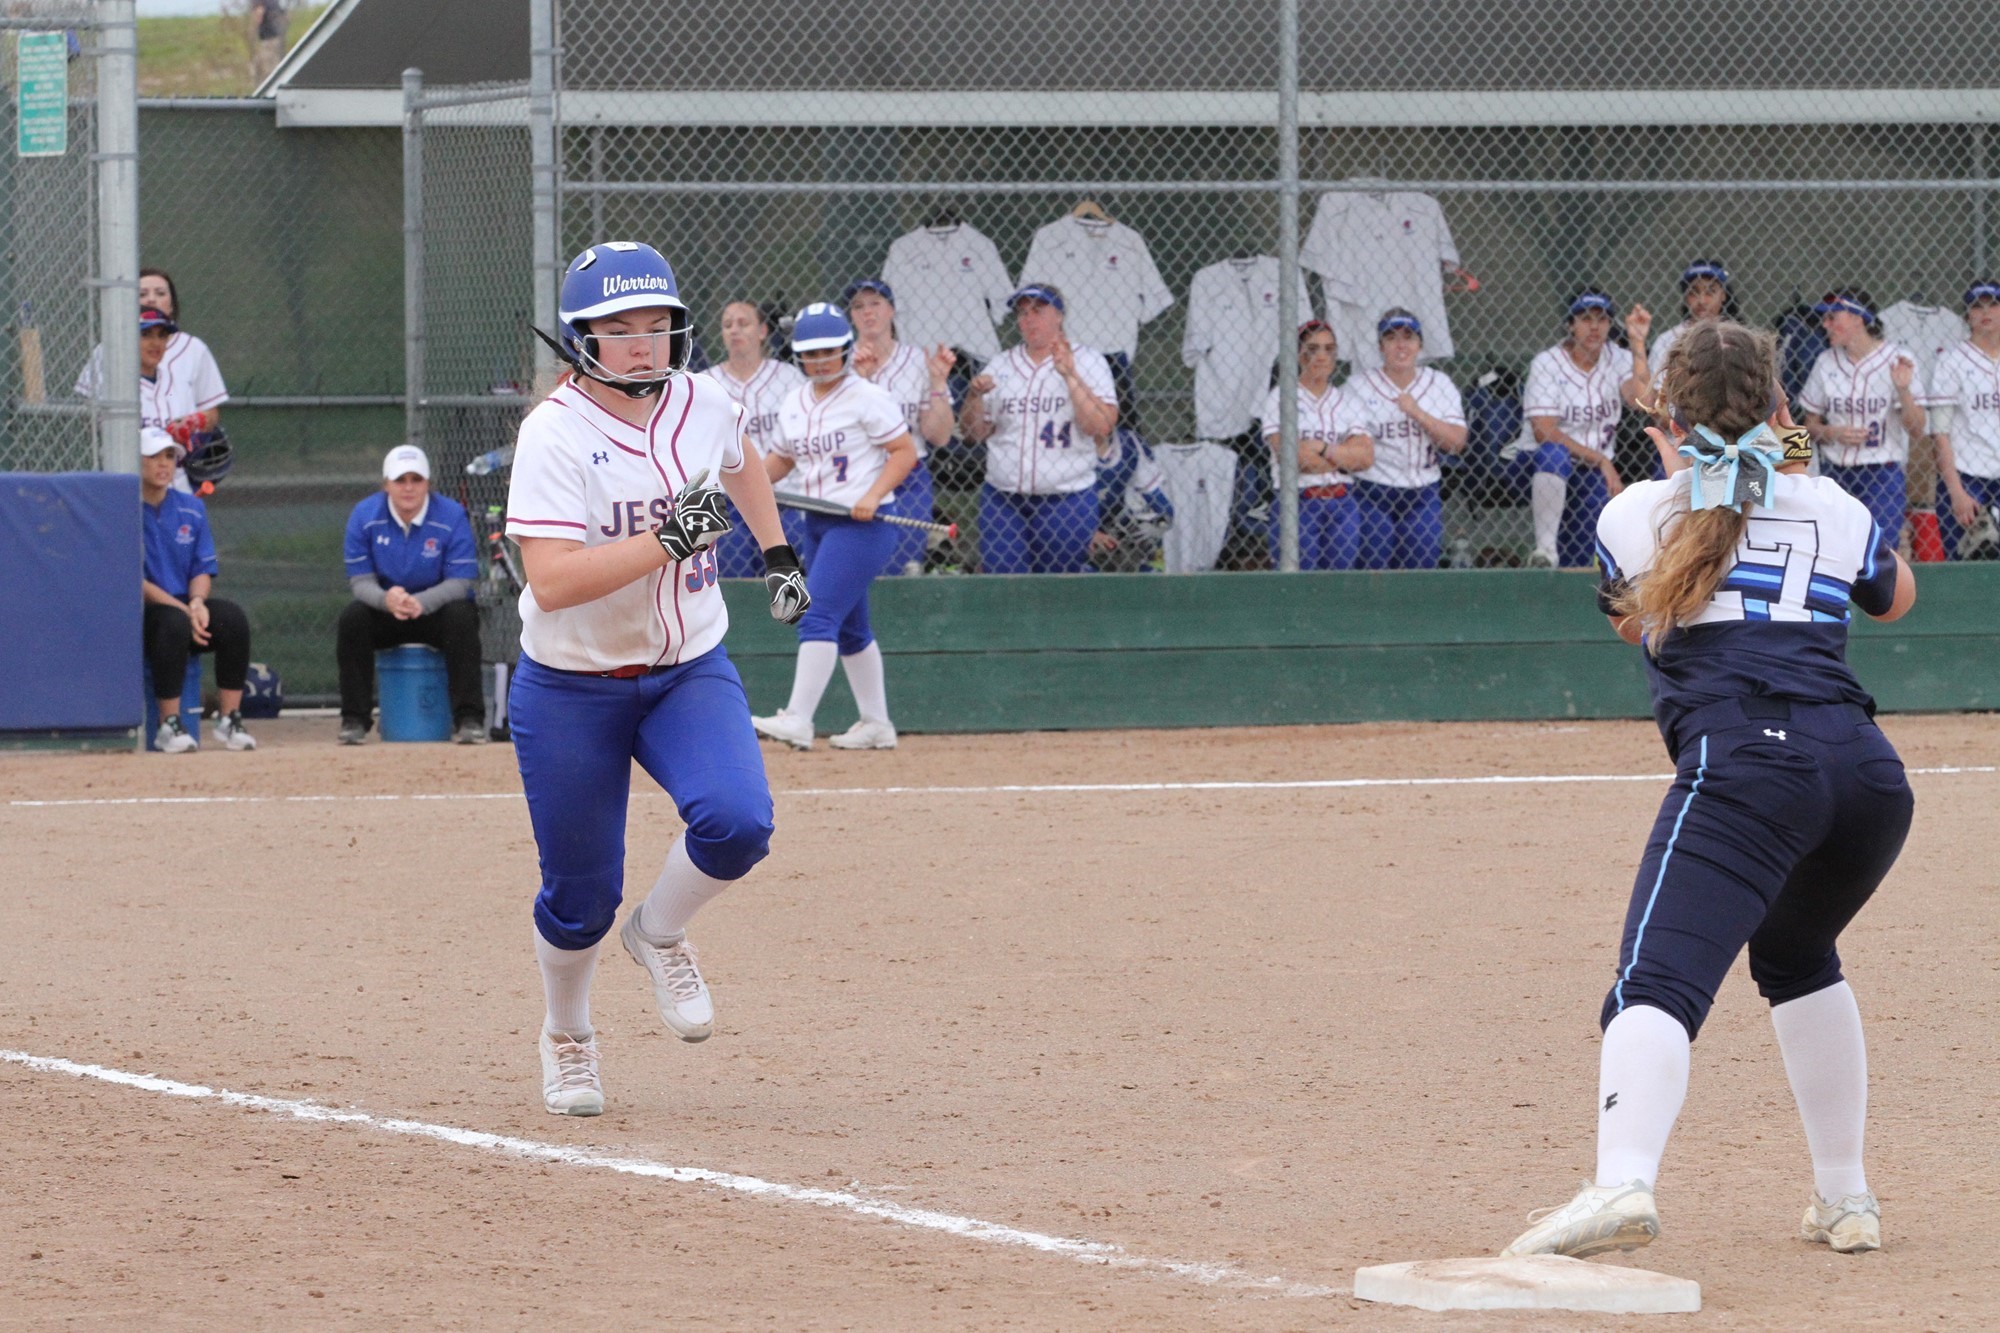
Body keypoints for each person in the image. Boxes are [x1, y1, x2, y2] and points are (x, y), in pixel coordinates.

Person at [1503, 319, 1916, 1260]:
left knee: (1655, 981)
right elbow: (1896, 597)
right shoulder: (1835, 505)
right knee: (1799, 956)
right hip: (1866, 776)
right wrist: (1792, 462)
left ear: (1674, 419)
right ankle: (1846, 1199)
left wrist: (1694, 470)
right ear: (1779, 411)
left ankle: (1621, 1183)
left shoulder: (1634, 514)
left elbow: (1632, 623)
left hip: (1747, 766)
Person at [503, 241, 810, 1117]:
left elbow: (742, 463)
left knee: (739, 821)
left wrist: (778, 553)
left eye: (657, 325)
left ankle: (662, 929)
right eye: (619, 329)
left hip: (686, 668)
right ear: (580, 339)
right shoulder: (554, 433)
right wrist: (669, 540)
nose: (643, 344)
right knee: (581, 893)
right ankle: (568, 1034)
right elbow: (554, 580)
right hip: (572, 684)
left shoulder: (705, 397)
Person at [750, 303, 918, 751]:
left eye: (829, 351)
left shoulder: (866, 396)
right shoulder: (795, 401)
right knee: (850, 629)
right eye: (810, 353)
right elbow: (783, 458)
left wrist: (872, 494)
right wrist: (746, 484)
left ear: (845, 350)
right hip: (819, 521)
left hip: (862, 524)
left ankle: (799, 718)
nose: (821, 360)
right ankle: (877, 723)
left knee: (817, 613)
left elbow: (904, 452)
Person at [959, 284, 1119, 573]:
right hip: (1004, 500)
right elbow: (973, 434)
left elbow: (1101, 426)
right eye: (1022, 313)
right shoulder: (1001, 364)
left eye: (1038, 311)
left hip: (1066, 499)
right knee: (1002, 586)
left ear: (1059, 315)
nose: (1028, 319)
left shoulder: (1088, 360)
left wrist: (1070, 376)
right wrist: (973, 397)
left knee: (1058, 592)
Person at [337, 444, 485, 745]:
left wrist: (423, 602)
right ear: (386, 485)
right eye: (400, 480)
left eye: (416, 480)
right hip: (387, 610)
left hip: (436, 612)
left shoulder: (452, 515)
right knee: (353, 619)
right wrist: (387, 599)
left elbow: (461, 581)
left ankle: (469, 719)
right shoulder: (364, 515)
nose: (408, 488)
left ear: (428, 483)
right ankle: (355, 719)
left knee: (462, 615)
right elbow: (360, 581)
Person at [139, 427, 256, 753]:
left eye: (169, 456)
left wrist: (197, 602)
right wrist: (182, 612)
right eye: (153, 457)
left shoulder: (192, 508)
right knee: (173, 624)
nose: (163, 464)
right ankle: (169, 725)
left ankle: (229, 718)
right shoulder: (125, 511)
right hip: (146, 612)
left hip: (185, 607)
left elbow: (202, 567)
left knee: (231, 619)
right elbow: (136, 582)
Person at [1520, 290, 1653, 567]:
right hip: (1537, 463)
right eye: (1585, 318)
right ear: (1570, 324)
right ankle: (1545, 551)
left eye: (1602, 319)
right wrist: (1601, 459)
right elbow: (1543, 431)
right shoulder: (1548, 363)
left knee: (1584, 548)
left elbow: (1643, 401)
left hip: (1591, 469)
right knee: (1553, 454)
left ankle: (1568, 573)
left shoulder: (1616, 356)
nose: (1594, 326)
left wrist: (1637, 342)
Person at [844, 278, 956, 575]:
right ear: (852, 316)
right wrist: (859, 382)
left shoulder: (917, 360)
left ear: (891, 310)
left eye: (875, 304)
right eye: (858, 306)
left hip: (909, 478)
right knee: (856, 568)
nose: (867, 312)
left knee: (904, 567)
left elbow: (940, 436)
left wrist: (937, 383)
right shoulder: (840, 364)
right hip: (855, 478)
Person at [1798, 287, 1925, 541]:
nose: (1826, 324)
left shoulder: (1897, 359)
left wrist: (1903, 391)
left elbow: (1917, 428)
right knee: (1834, 548)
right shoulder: (1825, 361)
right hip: (1835, 472)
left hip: (1882, 474)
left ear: (1858, 318)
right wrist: (1831, 432)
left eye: (1833, 317)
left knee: (1880, 551)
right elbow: (1807, 424)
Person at [1345, 309, 1468, 569]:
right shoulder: (1358, 386)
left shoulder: (1439, 383)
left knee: (1421, 571)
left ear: (1420, 344)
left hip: (1423, 492)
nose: (1401, 345)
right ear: (1380, 346)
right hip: (1373, 491)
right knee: (1372, 570)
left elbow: (1457, 442)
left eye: (1408, 337)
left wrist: (1417, 413)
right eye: (1391, 338)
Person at [704, 300, 807, 577]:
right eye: (727, 325)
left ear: (762, 331)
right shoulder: (706, 384)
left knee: (789, 573)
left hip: (787, 499)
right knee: (733, 573)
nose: (734, 330)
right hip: (727, 502)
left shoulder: (790, 378)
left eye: (743, 323)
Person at [1260, 320, 1373, 570]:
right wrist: (1342, 460)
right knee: (1297, 582)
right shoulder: (1280, 397)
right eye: (1312, 348)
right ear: (1298, 354)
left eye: (1329, 349)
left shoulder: (1347, 401)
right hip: (1297, 500)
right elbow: (1294, 459)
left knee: (1339, 585)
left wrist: (1322, 448)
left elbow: (1364, 459)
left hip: (1343, 502)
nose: (1322, 356)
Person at [1921, 280, 2000, 559]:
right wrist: (1956, 491)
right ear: (1967, 315)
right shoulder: (1952, 361)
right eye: (1976, 306)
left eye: (1992, 303)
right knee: (1965, 562)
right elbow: (1940, 432)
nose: (1985, 311)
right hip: (1967, 475)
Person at [1646, 261, 1735, 399]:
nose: (1702, 300)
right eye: (1694, 292)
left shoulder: (1737, 337)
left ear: (1723, 295)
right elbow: (1657, 398)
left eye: (1710, 291)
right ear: (1686, 297)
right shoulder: (1667, 340)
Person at [250, 0, 289, 84]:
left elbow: (259, 14)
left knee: (268, 72)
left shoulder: (261, 3)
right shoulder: (273, 2)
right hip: (277, 38)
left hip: (268, 40)